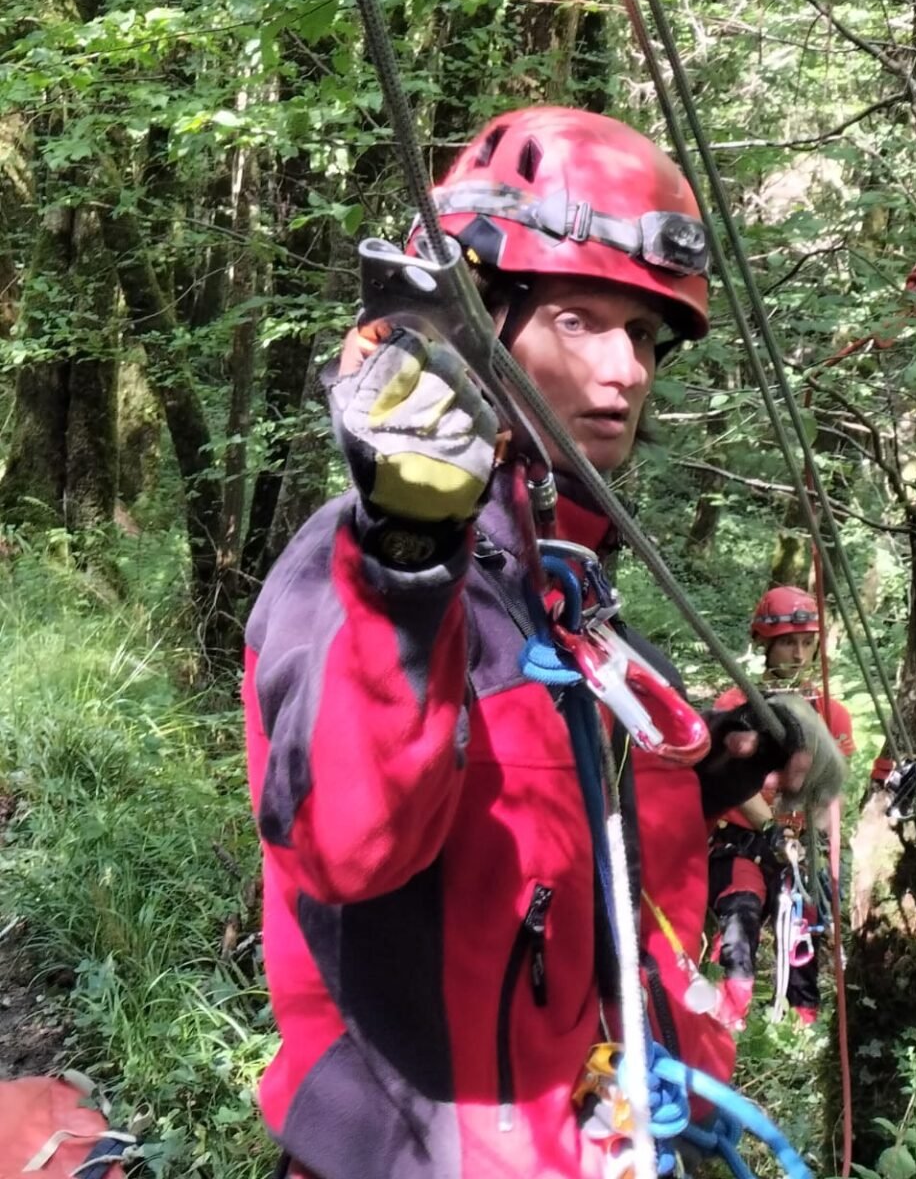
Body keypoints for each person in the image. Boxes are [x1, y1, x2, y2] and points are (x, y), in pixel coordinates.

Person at [242, 107, 845, 1179]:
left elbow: (561, 794)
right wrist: (404, 557)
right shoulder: (366, 568)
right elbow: (348, 844)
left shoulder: (561, 583)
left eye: (646, 335)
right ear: (480, 326)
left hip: (578, 1133)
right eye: (578, 321)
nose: (628, 369)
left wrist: (726, 762)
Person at [708, 586, 855, 1030]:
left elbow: (830, 790)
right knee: (741, 914)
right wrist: (772, 827)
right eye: (789, 641)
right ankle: (727, 1014)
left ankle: (803, 1025)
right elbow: (729, 784)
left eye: (807, 642)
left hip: (800, 844)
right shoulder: (736, 707)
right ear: (766, 644)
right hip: (744, 840)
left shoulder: (832, 715)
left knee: (805, 928)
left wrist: (808, 839)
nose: (799, 652)